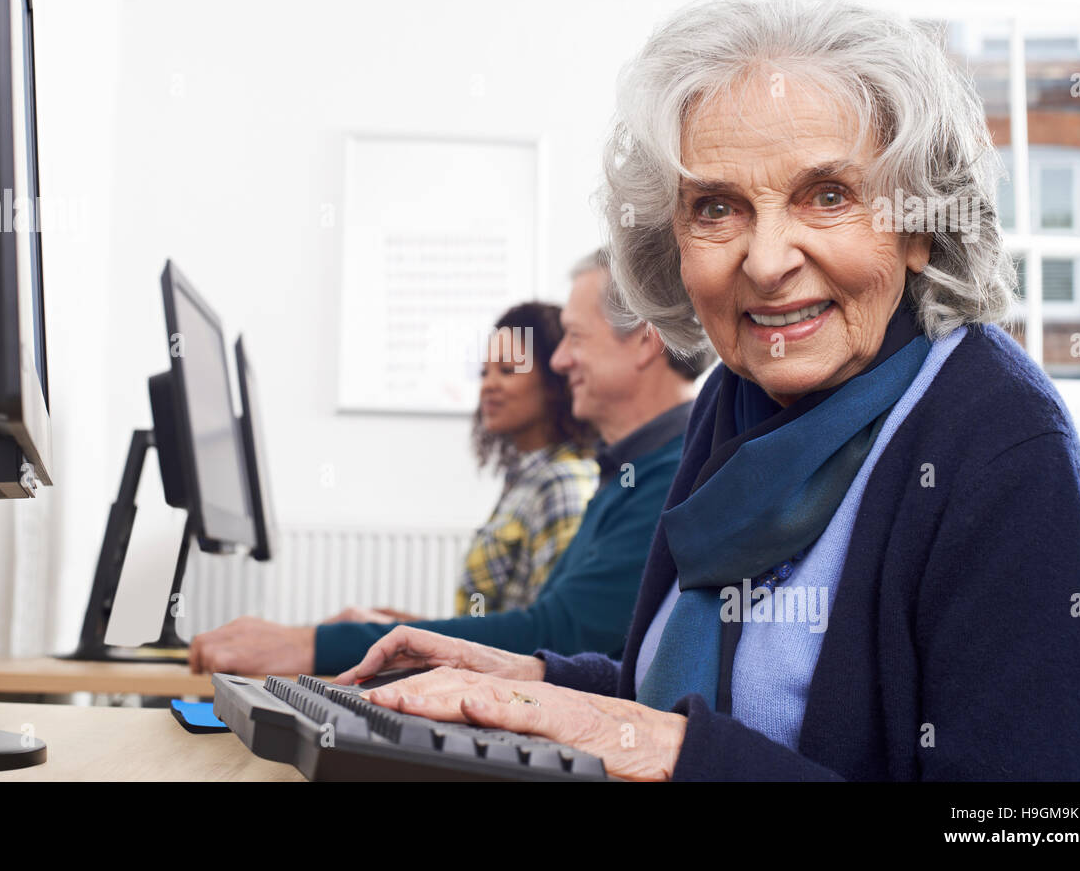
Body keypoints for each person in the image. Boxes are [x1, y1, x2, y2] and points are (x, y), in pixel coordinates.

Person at [340, 0, 1080, 781]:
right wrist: (539, 682)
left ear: (918, 226)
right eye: (716, 208)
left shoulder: (1000, 444)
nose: (766, 260)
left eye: (828, 196)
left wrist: (668, 751)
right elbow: (689, 701)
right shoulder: (737, 395)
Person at [188, 253, 707, 676]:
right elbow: (549, 630)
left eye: (575, 337)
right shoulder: (624, 472)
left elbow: (557, 634)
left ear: (644, 338)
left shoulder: (670, 473)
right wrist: (401, 635)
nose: (558, 359)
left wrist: (314, 645)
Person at [323, 301, 598, 626]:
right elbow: (497, 628)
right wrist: (399, 626)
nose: (488, 384)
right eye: (484, 372)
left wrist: (404, 633)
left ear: (555, 383)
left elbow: (542, 636)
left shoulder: (561, 483)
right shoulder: (525, 478)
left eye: (507, 370)